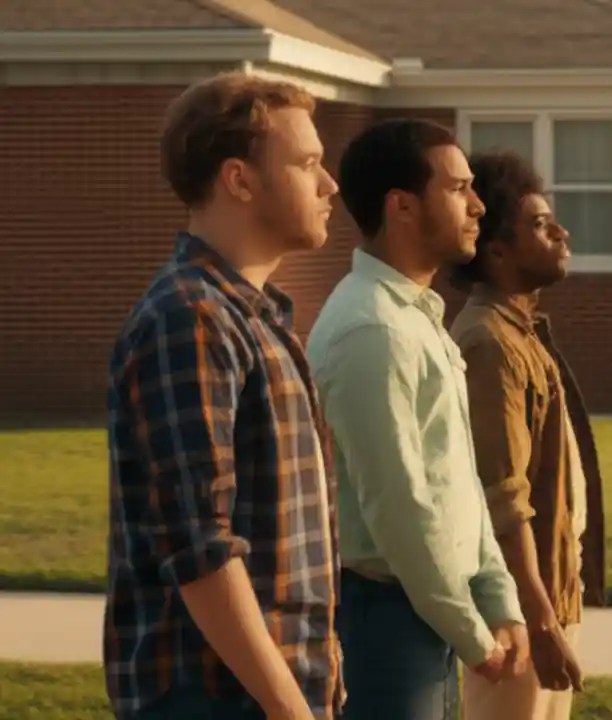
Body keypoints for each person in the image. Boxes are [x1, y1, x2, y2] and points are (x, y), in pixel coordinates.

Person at [104, 72, 341, 720]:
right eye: (309, 164)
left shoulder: (255, 318)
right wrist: (290, 709)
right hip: (215, 702)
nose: (330, 185)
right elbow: (201, 549)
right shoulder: (190, 320)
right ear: (239, 180)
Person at [305, 119, 529, 720]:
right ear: (402, 206)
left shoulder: (415, 318)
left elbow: (457, 481)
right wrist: (471, 632)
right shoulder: (371, 330)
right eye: (458, 189)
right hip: (386, 622)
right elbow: (399, 507)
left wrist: (498, 599)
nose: (478, 205)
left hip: (427, 613)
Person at [450, 151, 608, 720]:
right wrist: (538, 622)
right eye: (541, 226)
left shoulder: (520, 334)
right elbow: (502, 497)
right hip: (511, 619)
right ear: (496, 251)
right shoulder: (489, 345)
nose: (561, 233)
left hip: (541, 606)